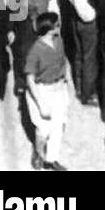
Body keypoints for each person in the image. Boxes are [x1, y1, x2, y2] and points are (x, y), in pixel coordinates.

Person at [25, 12, 71, 171]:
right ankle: (38, 153)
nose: (60, 26)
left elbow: (63, 61)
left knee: (58, 126)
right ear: (50, 28)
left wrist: (66, 82)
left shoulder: (59, 41)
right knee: (44, 129)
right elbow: (30, 79)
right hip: (42, 91)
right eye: (57, 24)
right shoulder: (36, 50)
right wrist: (40, 103)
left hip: (58, 88)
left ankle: (51, 159)